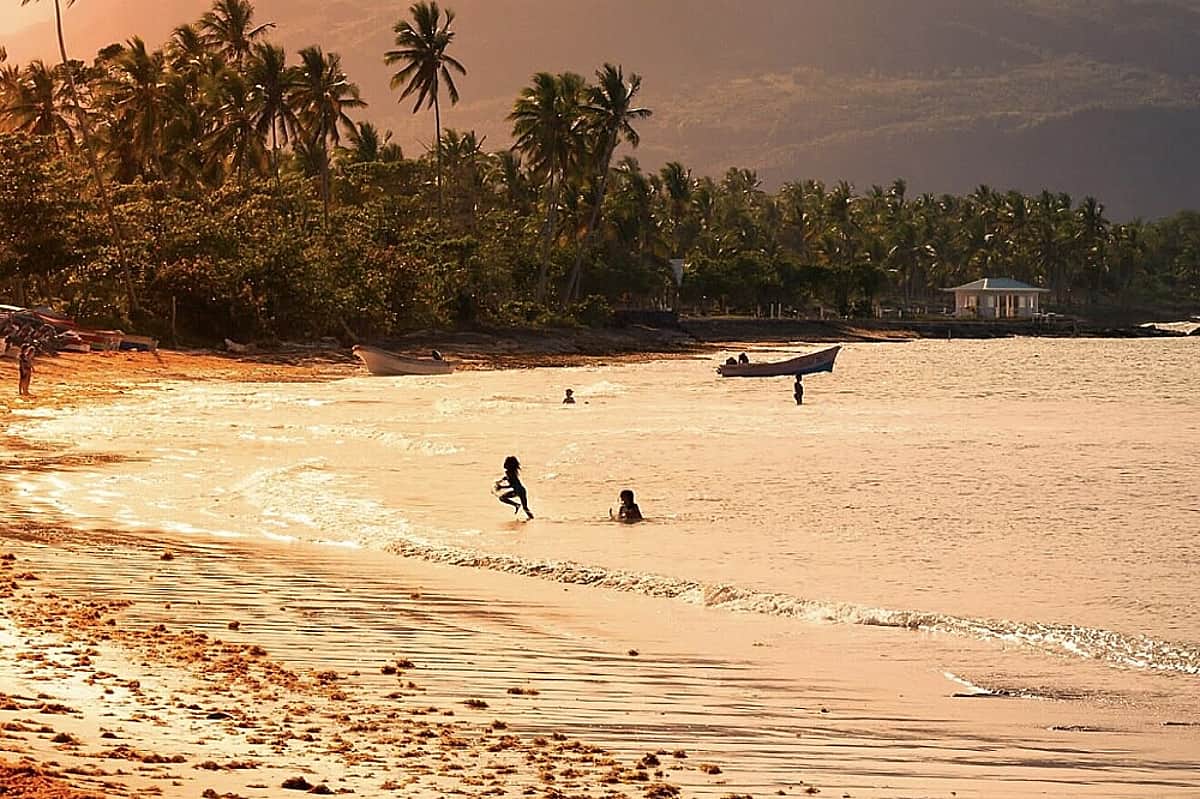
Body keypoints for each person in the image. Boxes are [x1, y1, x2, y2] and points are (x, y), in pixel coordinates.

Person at [495, 455, 533, 519]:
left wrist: (501, 487)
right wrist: (502, 480)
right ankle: (531, 518)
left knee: (502, 498)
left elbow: (512, 485)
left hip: (518, 491)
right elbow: (509, 479)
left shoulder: (509, 473)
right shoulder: (513, 472)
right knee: (525, 508)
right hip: (521, 490)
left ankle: (516, 505)